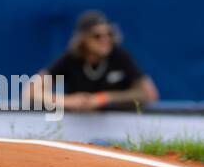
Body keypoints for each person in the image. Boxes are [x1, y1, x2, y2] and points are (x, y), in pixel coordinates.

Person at [28, 10, 159, 112]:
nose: (105, 39)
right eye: (97, 36)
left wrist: (103, 98)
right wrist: (67, 101)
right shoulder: (70, 58)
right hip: (76, 126)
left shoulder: (119, 55)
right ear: (83, 39)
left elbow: (149, 93)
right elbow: (30, 91)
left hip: (117, 125)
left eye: (109, 34)